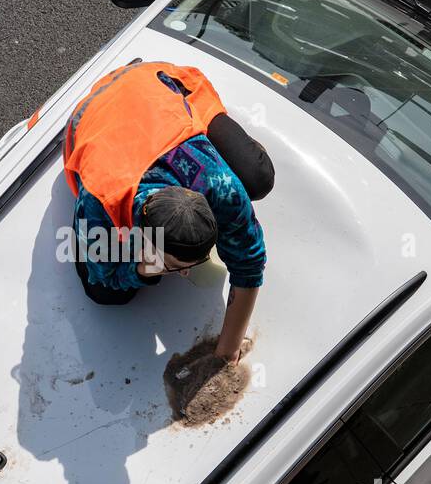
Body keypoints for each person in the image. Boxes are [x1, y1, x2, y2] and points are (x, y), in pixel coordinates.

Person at [63, 60, 274, 364]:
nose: (186, 274)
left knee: (258, 178)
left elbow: (250, 261)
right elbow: (106, 274)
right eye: (176, 266)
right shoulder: (100, 204)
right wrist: (145, 268)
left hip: (156, 93)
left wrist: (228, 350)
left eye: (193, 263)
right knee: (107, 294)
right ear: (143, 240)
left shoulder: (219, 185)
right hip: (100, 113)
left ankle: (190, 123)